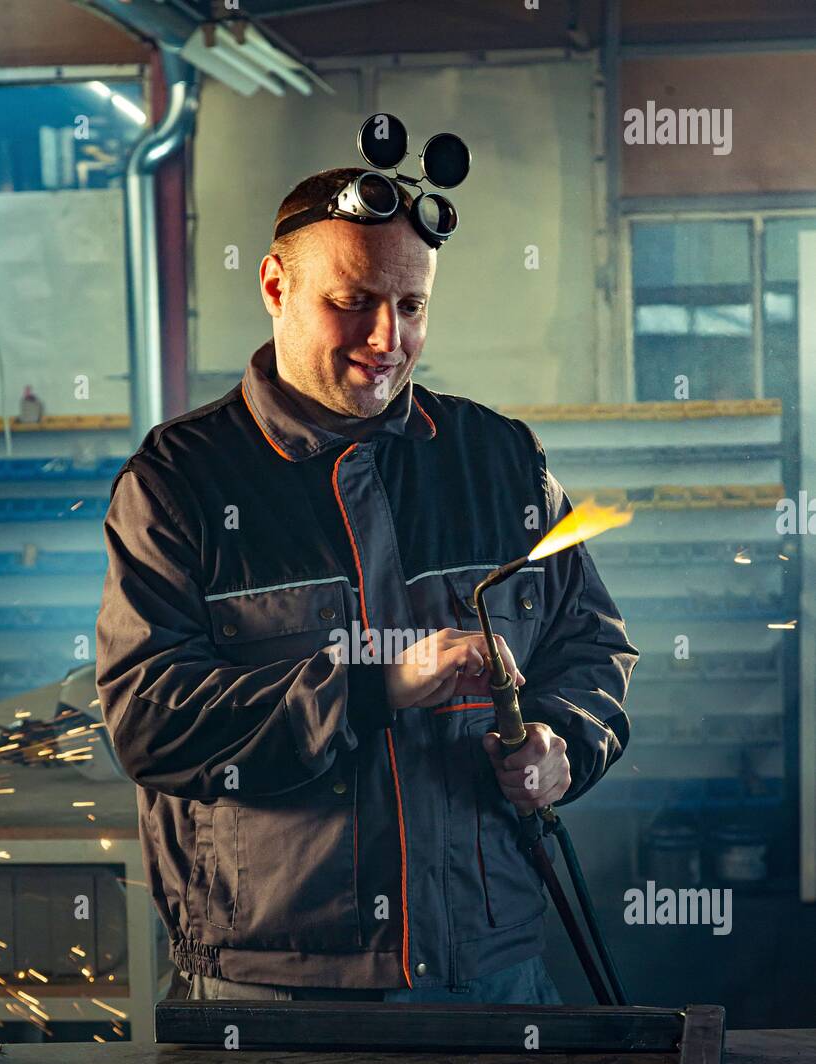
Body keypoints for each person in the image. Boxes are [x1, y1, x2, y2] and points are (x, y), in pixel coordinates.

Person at [95, 165, 638, 1008]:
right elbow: (149, 720)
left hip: (494, 973)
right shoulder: (181, 484)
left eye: (412, 306)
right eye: (352, 301)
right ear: (276, 285)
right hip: (275, 996)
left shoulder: (499, 461)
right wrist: (372, 686)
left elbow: (592, 645)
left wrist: (562, 744)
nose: (387, 337)